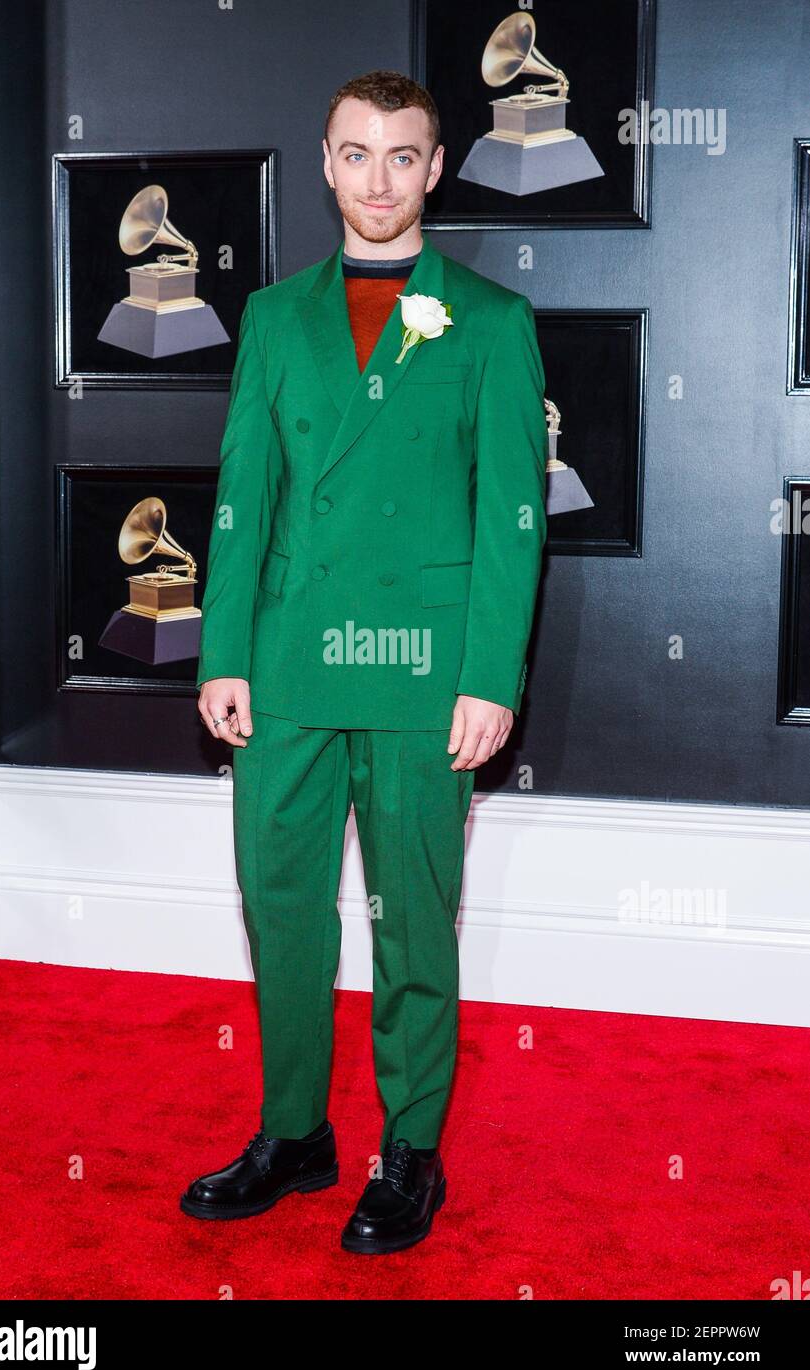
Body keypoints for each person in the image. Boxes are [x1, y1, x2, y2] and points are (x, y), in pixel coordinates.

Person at [181, 69, 548, 1254]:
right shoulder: (276, 318)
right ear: (326, 162)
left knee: (412, 926)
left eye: (403, 155)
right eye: (355, 154)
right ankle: (295, 1134)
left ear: (436, 167)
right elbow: (242, 495)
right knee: (280, 907)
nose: (378, 179)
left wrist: (490, 674)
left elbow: (510, 521)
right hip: (284, 665)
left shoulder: (492, 322)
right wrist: (221, 651)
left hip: (423, 676)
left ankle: (410, 1153)